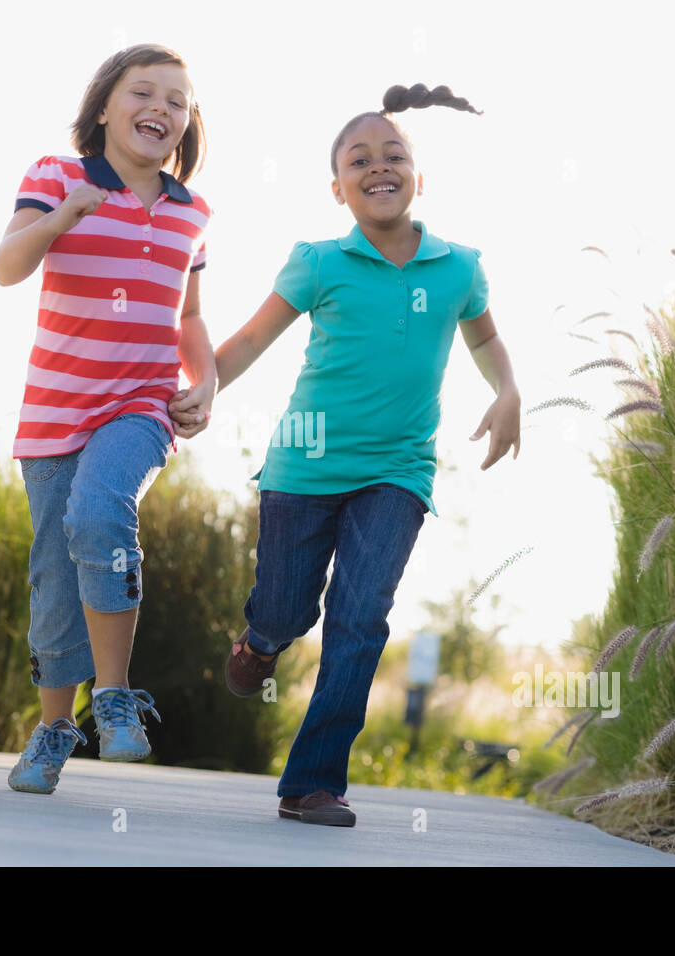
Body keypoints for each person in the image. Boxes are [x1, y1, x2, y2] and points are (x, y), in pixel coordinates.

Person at [170, 83, 522, 826]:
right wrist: (204, 388)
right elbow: (252, 339)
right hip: (303, 467)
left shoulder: (458, 268)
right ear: (338, 188)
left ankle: (313, 782)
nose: (378, 166)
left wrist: (508, 389)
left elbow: (485, 339)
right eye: (358, 159)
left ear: (419, 177)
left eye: (394, 154)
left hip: (397, 471)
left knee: (360, 616)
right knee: (288, 608)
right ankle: (261, 639)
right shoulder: (319, 262)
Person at [0, 43, 215, 794]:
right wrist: (61, 218)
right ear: (103, 107)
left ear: (187, 125)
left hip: (140, 407)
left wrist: (207, 381)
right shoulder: (58, 176)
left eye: (177, 101)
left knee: (100, 511)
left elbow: (188, 319)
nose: (160, 108)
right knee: (54, 578)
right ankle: (57, 726)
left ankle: (114, 697)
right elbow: (7, 265)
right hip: (54, 413)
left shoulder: (193, 212)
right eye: (143, 92)